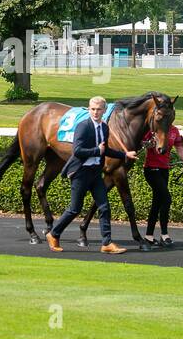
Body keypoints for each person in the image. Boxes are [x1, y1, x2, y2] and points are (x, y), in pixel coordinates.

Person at [47, 96, 137, 255]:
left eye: (99, 109)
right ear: (89, 109)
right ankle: (53, 234)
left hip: (95, 173)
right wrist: (97, 150)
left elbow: (106, 150)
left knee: (104, 207)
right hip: (80, 172)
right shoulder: (83, 126)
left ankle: (107, 243)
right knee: (74, 209)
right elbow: (78, 151)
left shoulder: (104, 128)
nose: (95, 112)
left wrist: (125, 155)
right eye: (93, 109)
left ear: (104, 111)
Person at [141, 121, 183, 247]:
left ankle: (149, 236)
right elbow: (141, 143)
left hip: (164, 170)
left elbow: (179, 148)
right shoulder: (152, 129)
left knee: (157, 202)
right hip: (151, 169)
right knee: (166, 199)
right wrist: (149, 144)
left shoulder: (174, 131)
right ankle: (164, 235)